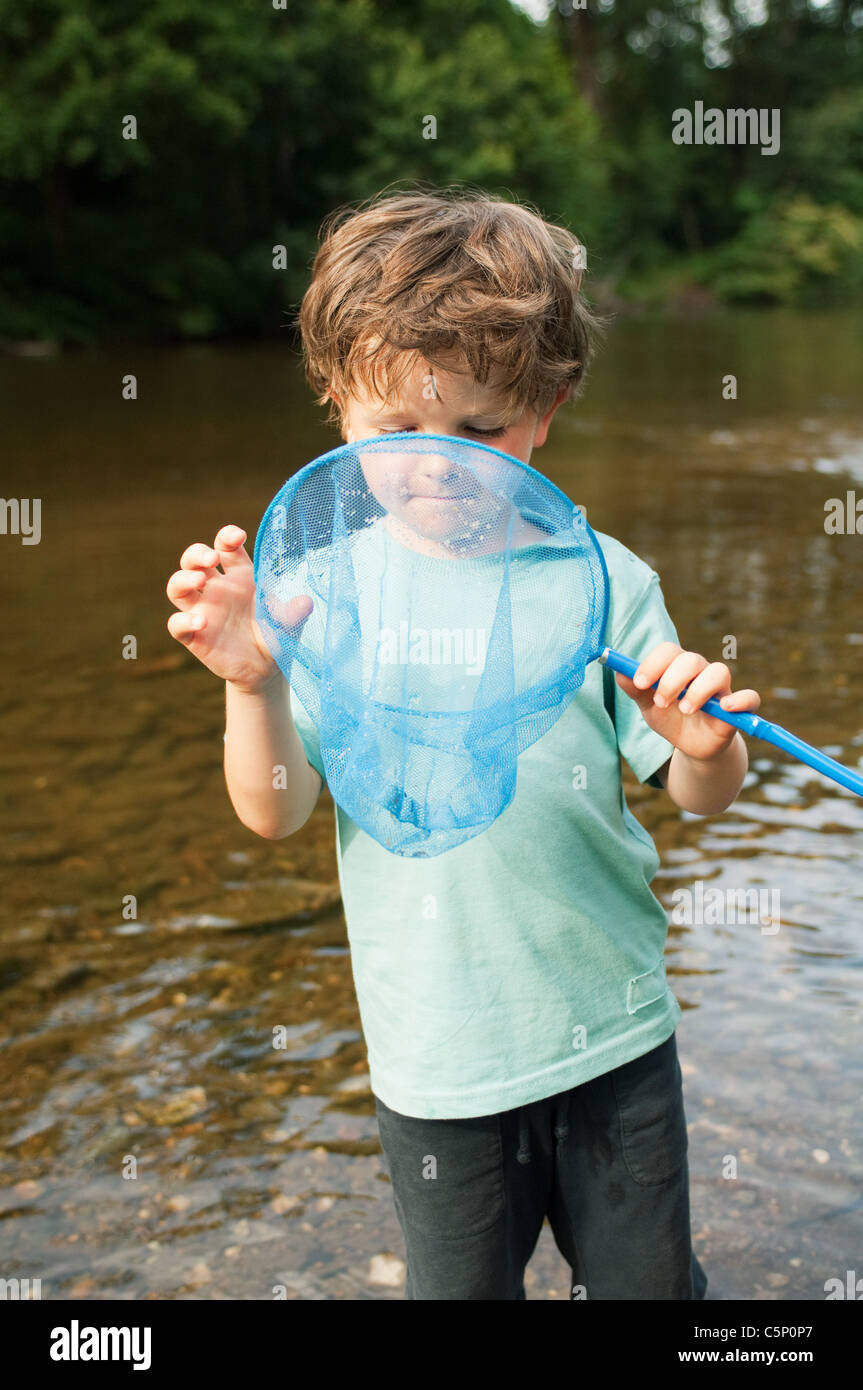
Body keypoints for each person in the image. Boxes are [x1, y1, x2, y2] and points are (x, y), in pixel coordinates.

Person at [166, 188, 761, 1300]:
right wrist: (252, 679)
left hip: (612, 1041)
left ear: (544, 406)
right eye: (395, 430)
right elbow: (273, 808)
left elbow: (699, 793)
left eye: (480, 430)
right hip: (437, 1065)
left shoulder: (605, 581)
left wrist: (704, 742)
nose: (437, 465)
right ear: (336, 403)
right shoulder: (316, 596)